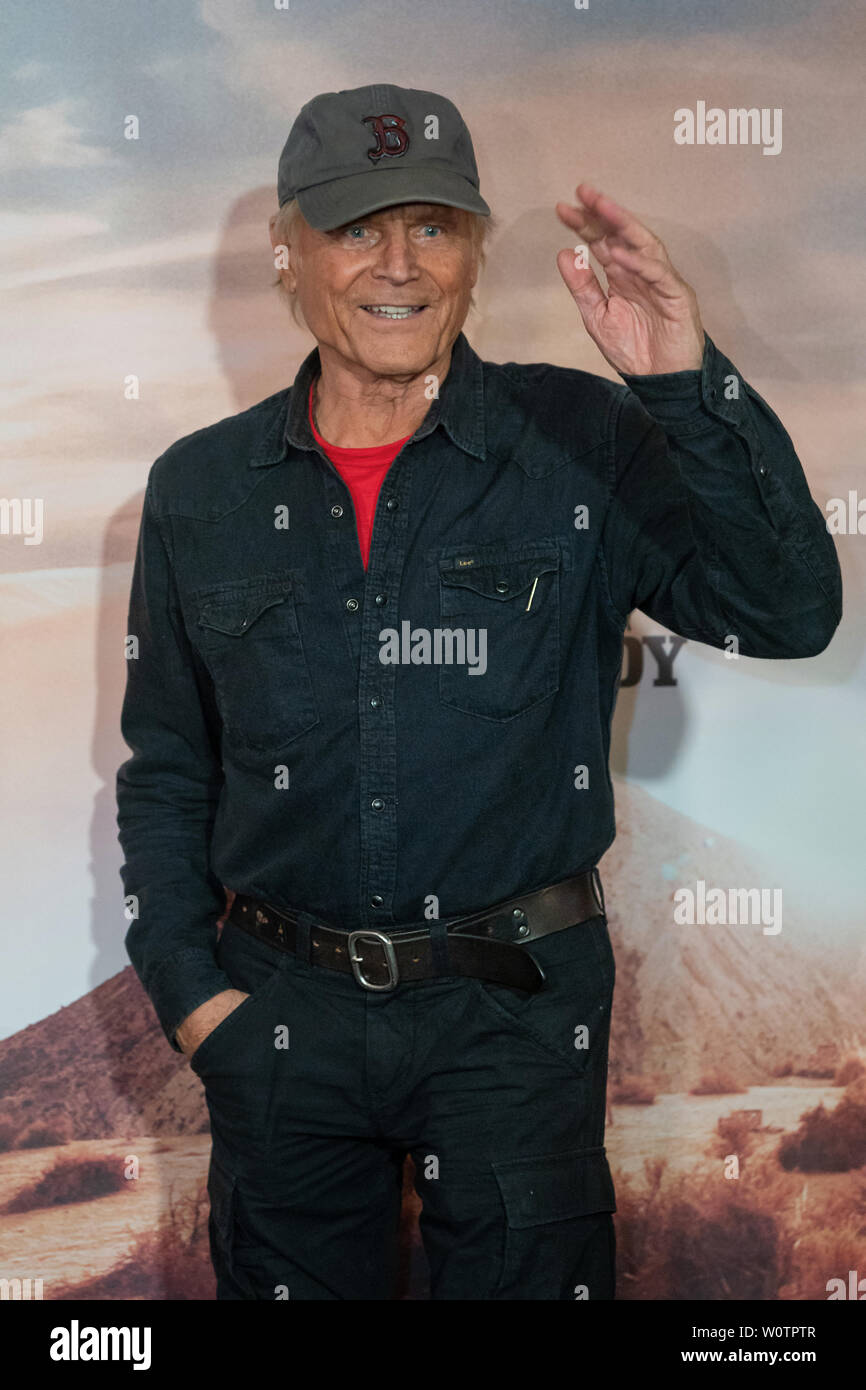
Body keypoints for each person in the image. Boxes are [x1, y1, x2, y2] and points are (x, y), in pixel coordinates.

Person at [116, 82, 842, 1300]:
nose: (396, 264)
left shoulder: (581, 438)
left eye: (433, 226)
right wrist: (202, 1007)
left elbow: (786, 611)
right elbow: (167, 770)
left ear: (473, 253)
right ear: (287, 251)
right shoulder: (199, 490)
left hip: (515, 1023)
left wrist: (685, 384)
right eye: (356, 228)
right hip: (279, 1015)